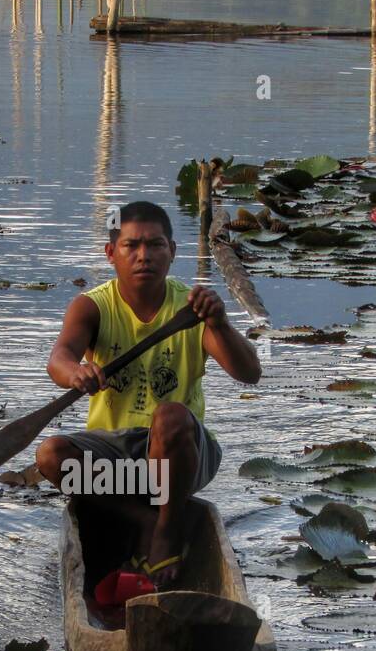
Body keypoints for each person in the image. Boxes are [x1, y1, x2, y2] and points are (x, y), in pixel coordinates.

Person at [36, 200, 262, 589]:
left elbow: (249, 373)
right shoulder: (92, 307)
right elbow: (60, 358)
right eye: (132, 246)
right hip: (117, 467)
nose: (145, 256)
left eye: (156, 245)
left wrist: (221, 324)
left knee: (170, 416)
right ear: (111, 254)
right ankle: (146, 521)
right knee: (50, 456)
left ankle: (165, 536)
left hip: (181, 457)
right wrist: (76, 373)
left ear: (172, 252)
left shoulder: (192, 308)